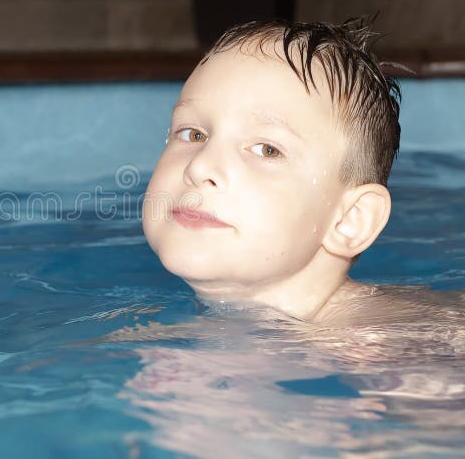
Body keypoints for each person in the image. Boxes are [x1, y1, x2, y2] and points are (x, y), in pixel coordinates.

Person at [142, 17, 407, 324]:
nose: (199, 166)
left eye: (267, 149)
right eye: (193, 134)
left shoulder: (389, 345)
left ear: (349, 220)